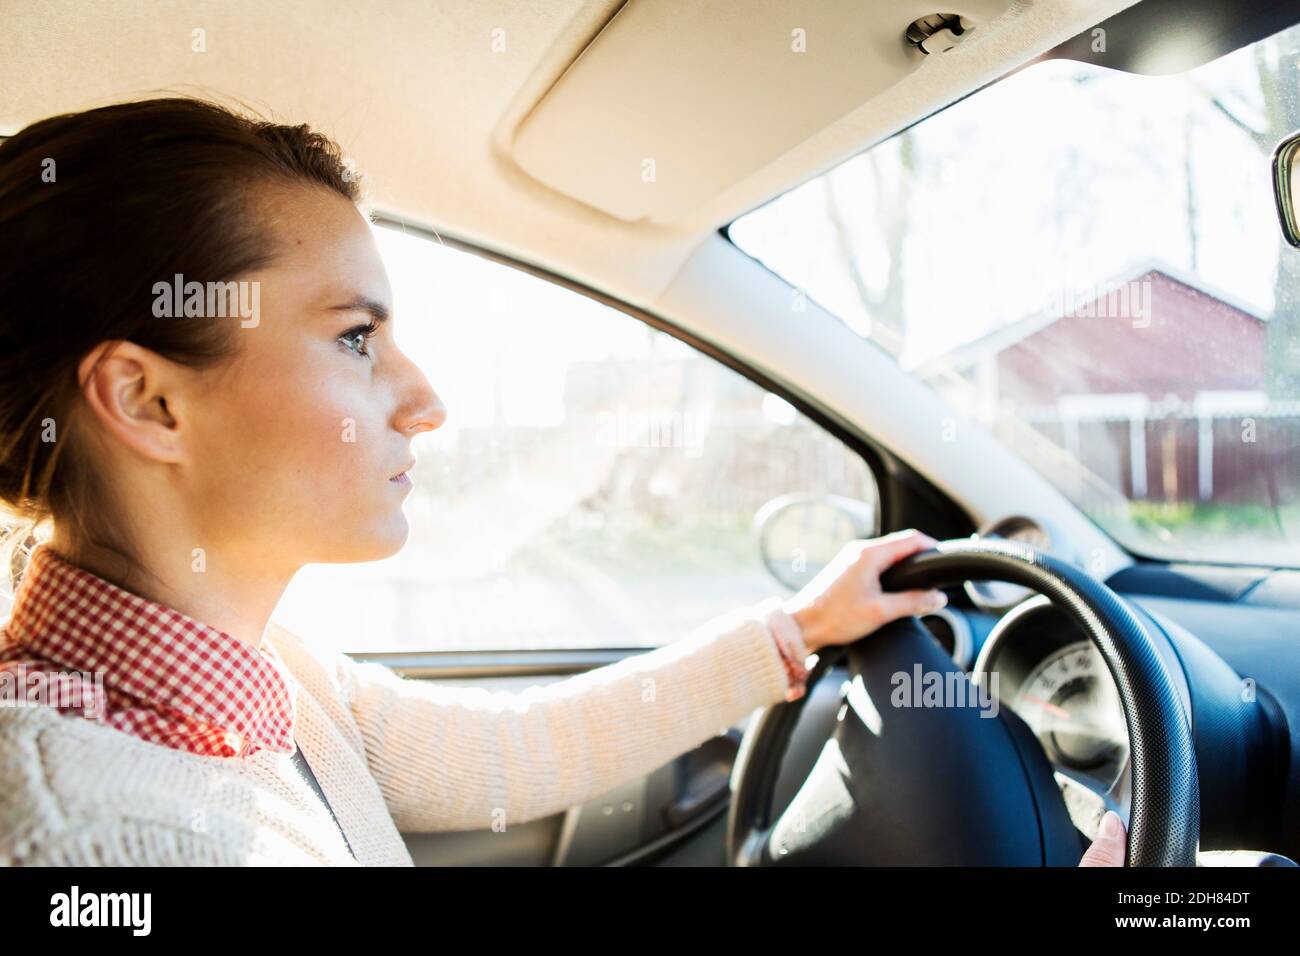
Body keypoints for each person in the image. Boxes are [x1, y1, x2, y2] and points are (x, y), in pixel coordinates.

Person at [0, 98, 1125, 867]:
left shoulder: (261, 674)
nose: (424, 398)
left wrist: (797, 625)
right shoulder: (87, 829)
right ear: (149, 401)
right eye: (352, 337)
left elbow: (511, 754)